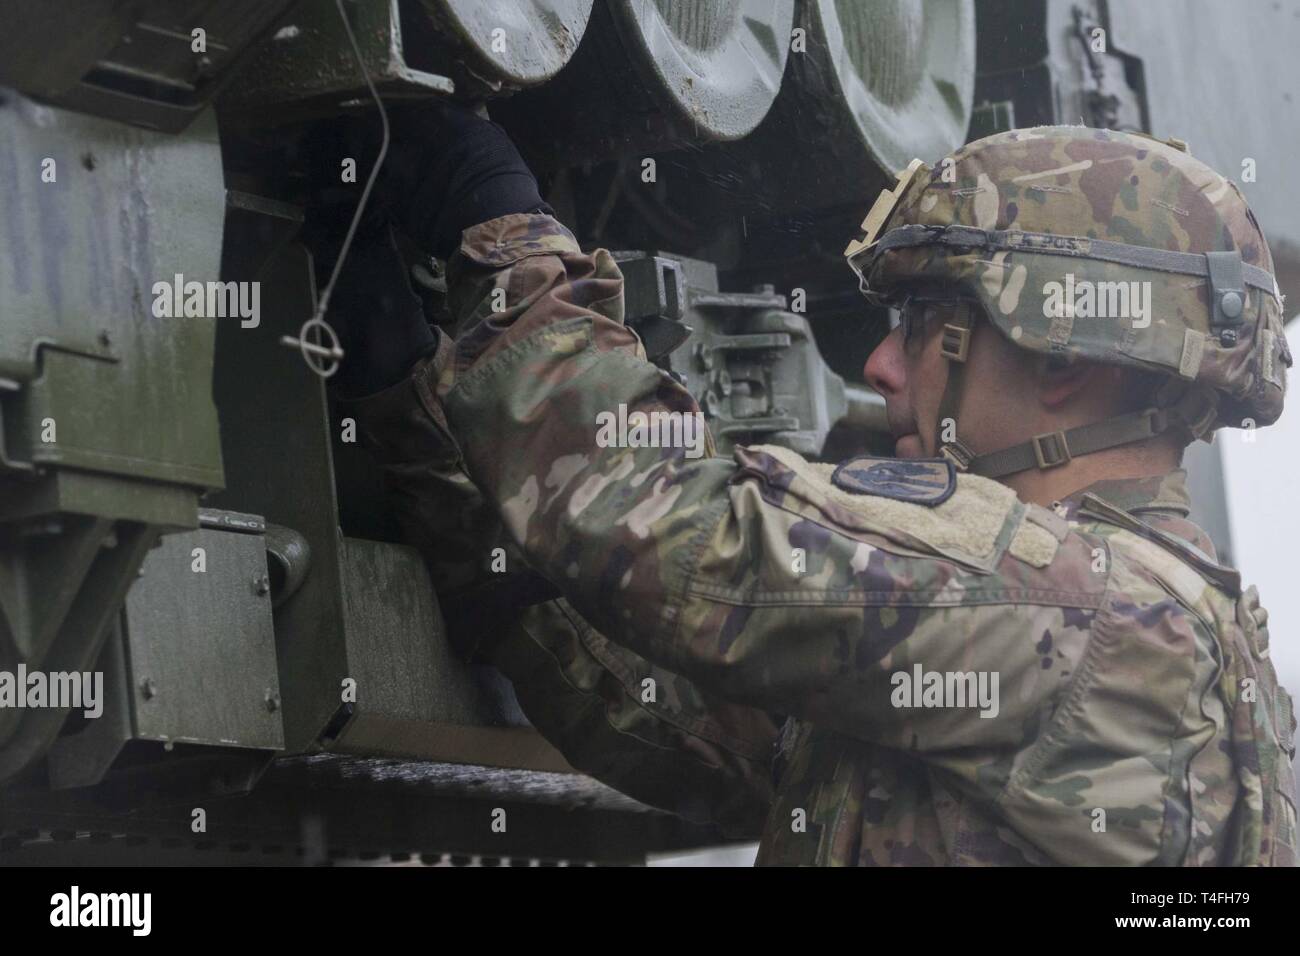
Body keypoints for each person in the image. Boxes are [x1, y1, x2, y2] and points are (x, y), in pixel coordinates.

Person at [333, 111, 1297, 865]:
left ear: (1062, 364)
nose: (879, 365)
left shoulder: (1081, 611)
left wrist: (499, 226)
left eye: (922, 321)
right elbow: (681, 728)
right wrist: (411, 404)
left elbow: (676, 532)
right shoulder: (1154, 637)